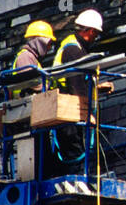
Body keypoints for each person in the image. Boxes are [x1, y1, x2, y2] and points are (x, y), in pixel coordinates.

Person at [51, 9, 112, 172]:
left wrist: (97, 87)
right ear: (91, 31)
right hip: (68, 110)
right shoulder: (73, 50)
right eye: (96, 34)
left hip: (69, 107)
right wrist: (87, 115)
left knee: (76, 150)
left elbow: (78, 82)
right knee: (75, 152)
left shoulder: (76, 48)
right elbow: (76, 85)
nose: (95, 38)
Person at [8, 20, 55, 99]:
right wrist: (47, 85)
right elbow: (30, 82)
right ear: (38, 42)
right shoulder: (25, 56)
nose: (49, 47)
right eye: (48, 43)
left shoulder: (31, 57)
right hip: (24, 103)